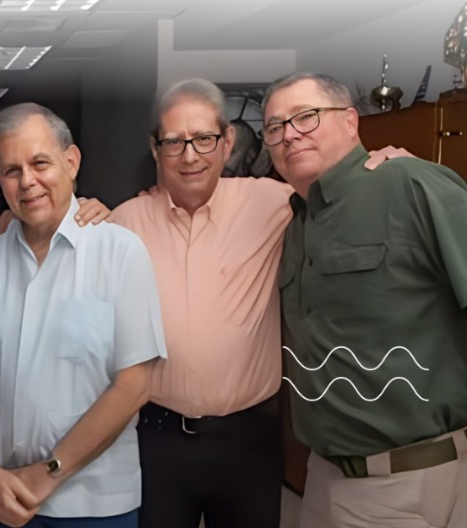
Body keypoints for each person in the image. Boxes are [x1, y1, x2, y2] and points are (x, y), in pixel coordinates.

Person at [0, 102, 166, 528]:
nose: (28, 181)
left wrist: (49, 474)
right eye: (11, 170)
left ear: (71, 161)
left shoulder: (120, 251)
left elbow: (135, 384)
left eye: (40, 163)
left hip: (91, 501)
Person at [263, 71, 467, 528]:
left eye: (306, 117)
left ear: (351, 121)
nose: (289, 134)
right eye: (274, 127)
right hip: (325, 474)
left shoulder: (409, 184)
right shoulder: (296, 222)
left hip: (404, 481)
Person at [110, 78, 291, 528]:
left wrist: (385, 160)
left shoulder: (276, 203)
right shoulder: (123, 223)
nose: (189, 156)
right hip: (157, 440)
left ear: (227, 142)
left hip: (249, 442)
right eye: (173, 142)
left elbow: (339, 188)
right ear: (156, 151)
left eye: (203, 139)